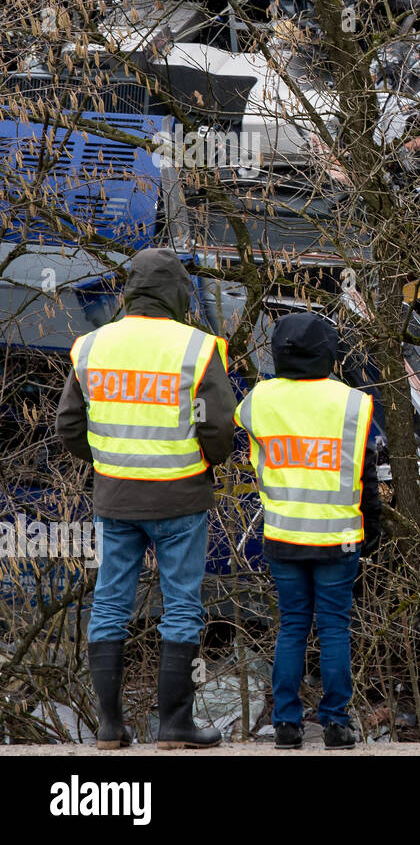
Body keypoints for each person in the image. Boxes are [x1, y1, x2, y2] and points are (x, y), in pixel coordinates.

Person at [56, 248, 235, 749]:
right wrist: (205, 462)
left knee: (111, 604)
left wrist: (105, 463)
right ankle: (175, 726)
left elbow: (69, 423)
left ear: (130, 289)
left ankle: (111, 728)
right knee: (181, 607)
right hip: (180, 496)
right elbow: (218, 425)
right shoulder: (197, 348)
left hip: (116, 498)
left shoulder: (91, 346)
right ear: (177, 290)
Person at [234, 312, 382, 750]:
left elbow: (233, 422)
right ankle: (336, 725)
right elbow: (366, 475)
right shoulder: (353, 403)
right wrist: (370, 528)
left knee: (292, 628)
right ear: (329, 352)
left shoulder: (260, 400)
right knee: (336, 628)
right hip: (339, 537)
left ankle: (286, 726)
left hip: (283, 536)